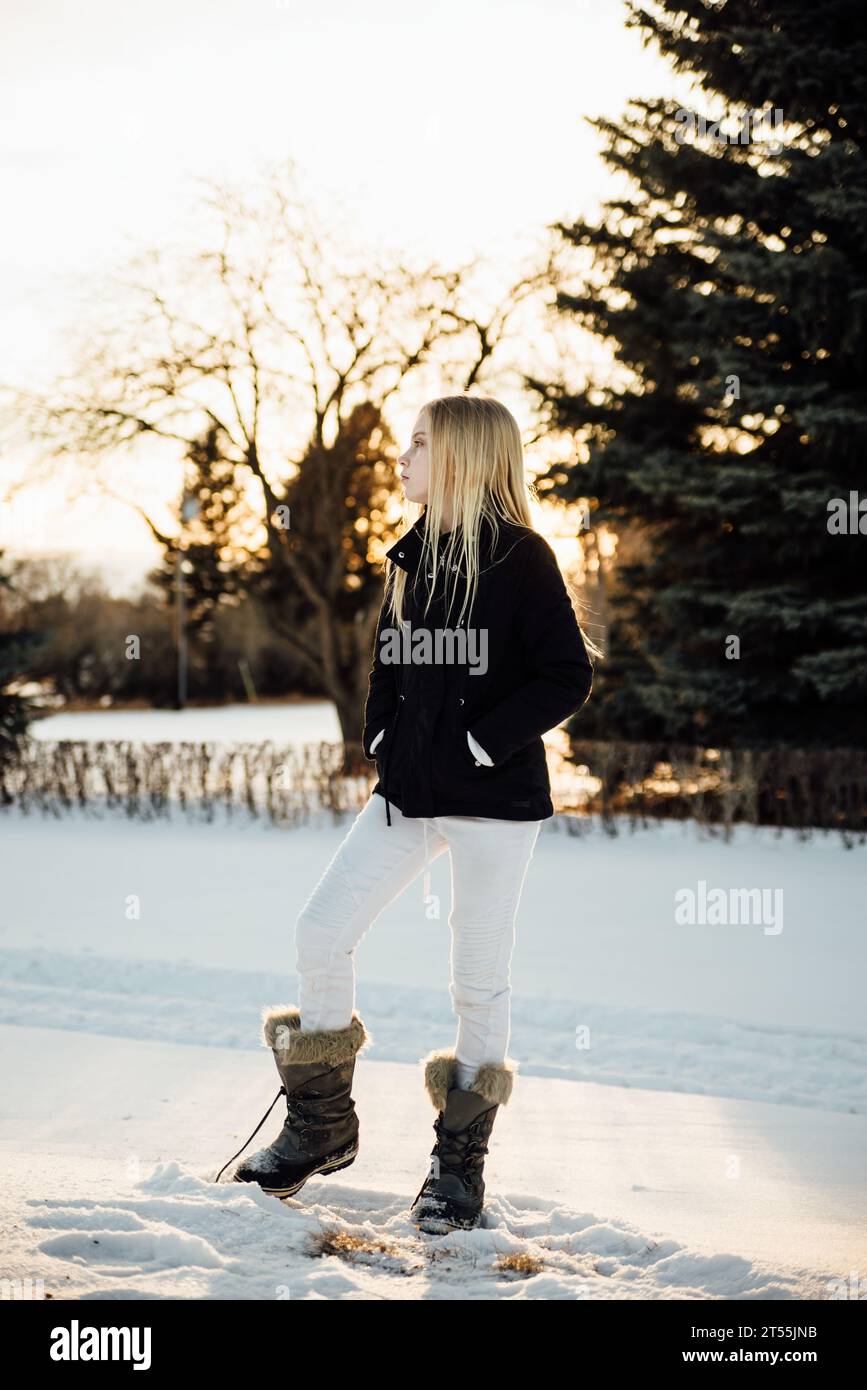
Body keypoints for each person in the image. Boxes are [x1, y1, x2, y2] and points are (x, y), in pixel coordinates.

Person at [224, 394, 594, 1232]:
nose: (402, 456)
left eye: (419, 443)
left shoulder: (524, 559)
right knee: (321, 930)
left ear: (462, 455)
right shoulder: (411, 553)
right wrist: (382, 734)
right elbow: (388, 662)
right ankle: (321, 1126)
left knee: (475, 984)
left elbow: (565, 675)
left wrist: (475, 745)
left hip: (494, 805)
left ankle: (456, 1172)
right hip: (407, 797)